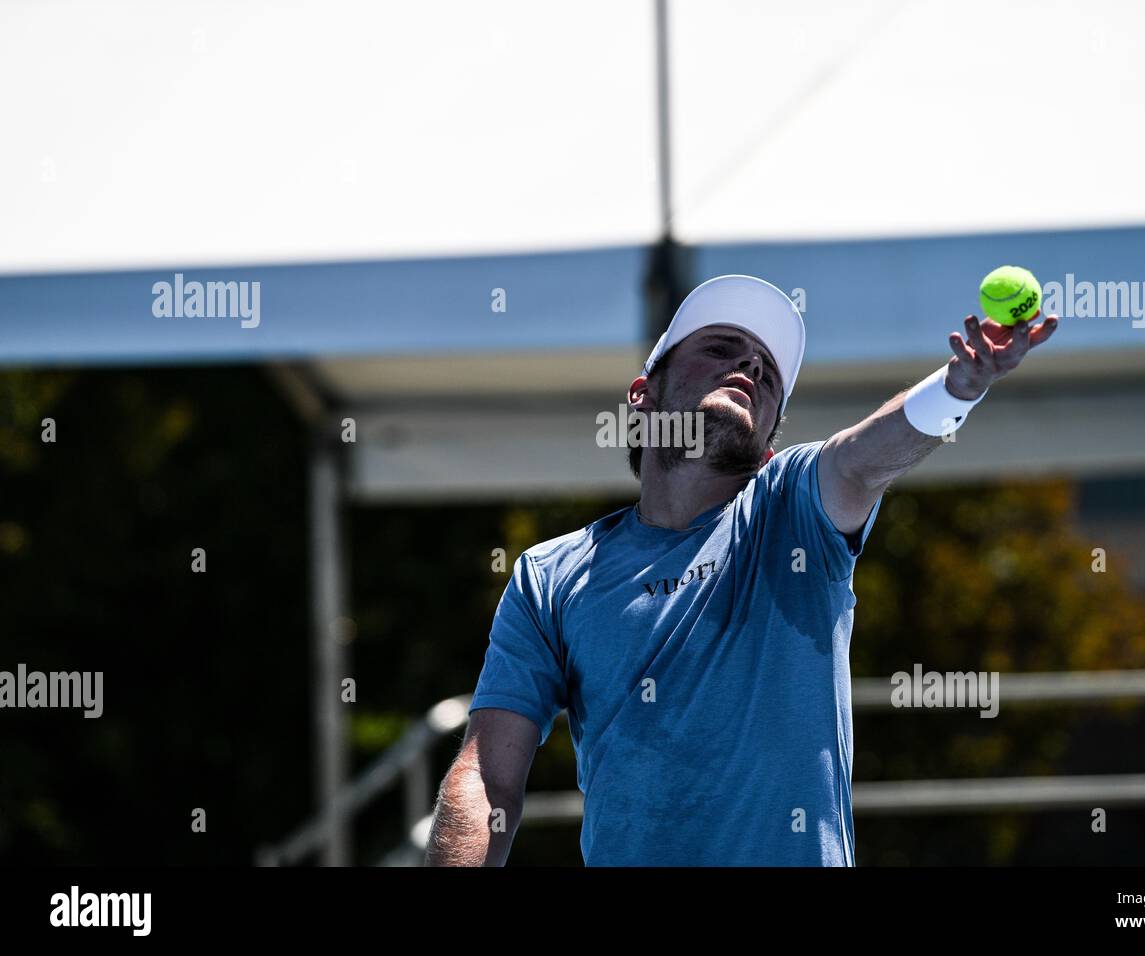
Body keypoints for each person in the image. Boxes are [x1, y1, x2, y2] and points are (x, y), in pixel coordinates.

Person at [426, 274, 1057, 866]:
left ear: (771, 446)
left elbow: (862, 459)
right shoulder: (549, 576)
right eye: (722, 347)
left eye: (767, 373)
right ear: (643, 396)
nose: (750, 366)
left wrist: (958, 388)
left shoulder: (790, 505)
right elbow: (488, 776)